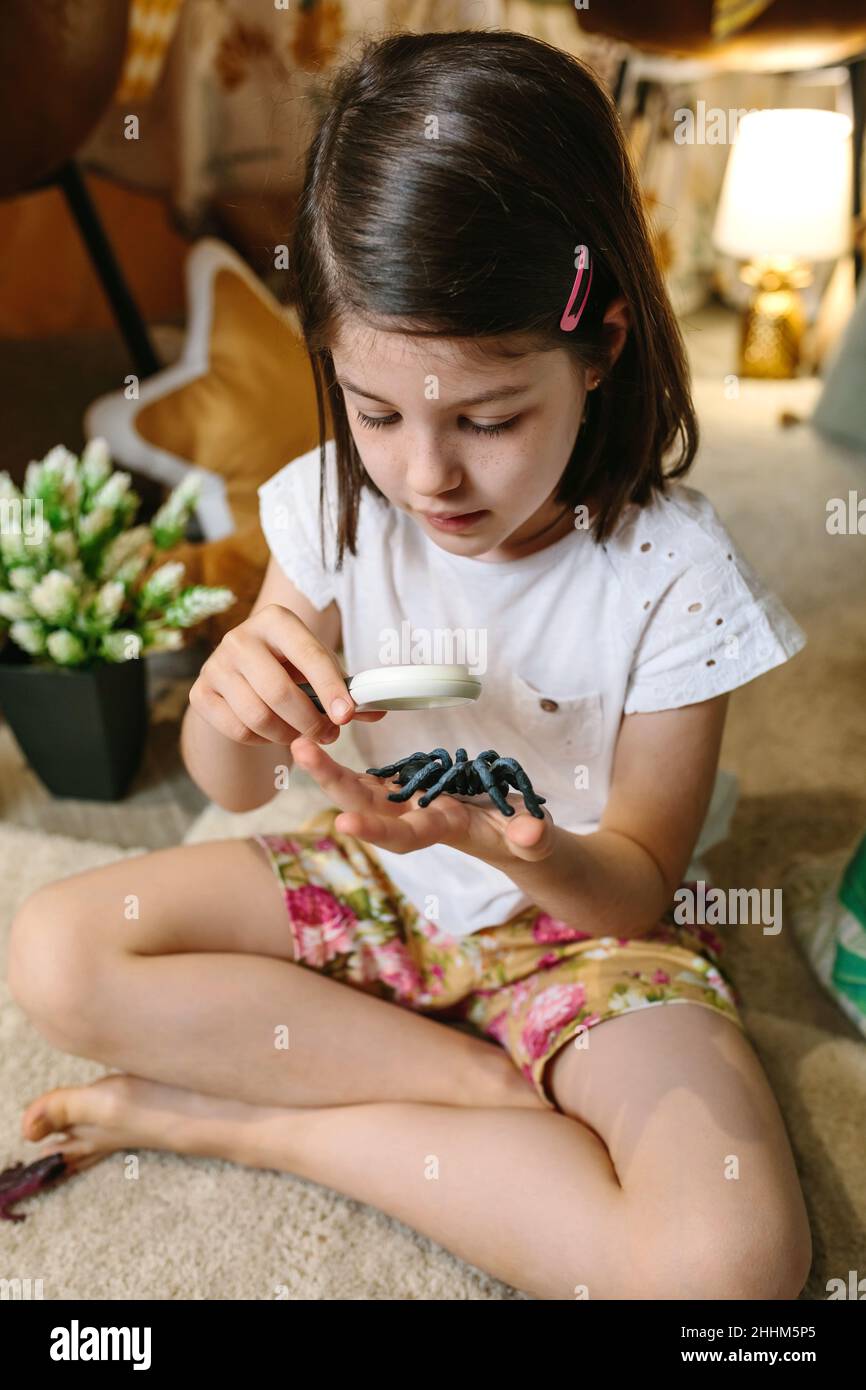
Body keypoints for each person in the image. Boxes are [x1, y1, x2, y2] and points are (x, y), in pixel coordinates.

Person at [8, 30, 813, 1300]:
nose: (426, 473)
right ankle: (471, 1086)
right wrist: (230, 686)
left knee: (730, 1272)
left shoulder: (669, 571)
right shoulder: (334, 507)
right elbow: (225, 782)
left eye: (487, 419)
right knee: (54, 947)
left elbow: (632, 886)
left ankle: (251, 1124)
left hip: (576, 933)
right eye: (376, 411)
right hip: (373, 884)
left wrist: (505, 844)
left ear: (597, 343)